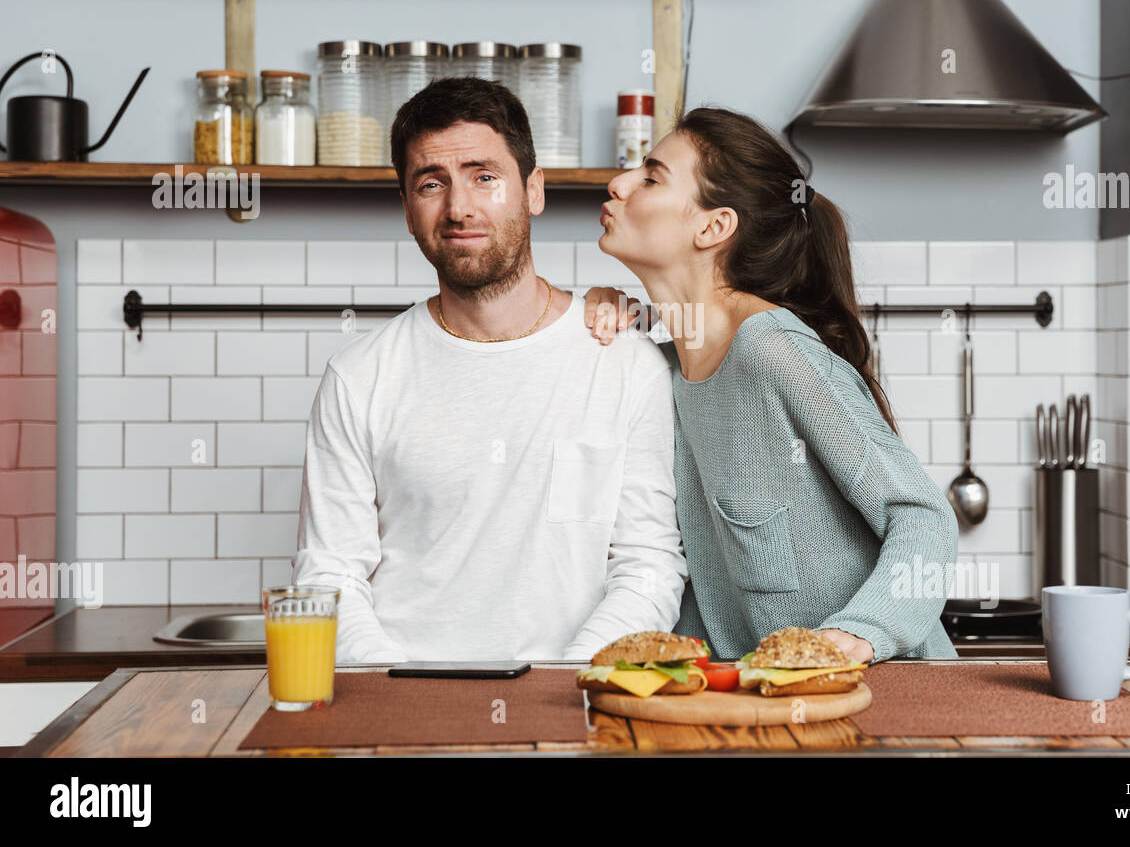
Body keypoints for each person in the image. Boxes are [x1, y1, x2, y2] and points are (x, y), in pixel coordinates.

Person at [291, 77, 685, 663]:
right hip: (401, 716)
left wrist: (569, 680)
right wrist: (399, 695)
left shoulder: (626, 363)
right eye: (431, 184)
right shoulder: (358, 375)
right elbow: (329, 577)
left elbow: (647, 564)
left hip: (572, 706)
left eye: (485, 177)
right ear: (406, 209)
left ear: (533, 190)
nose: (459, 208)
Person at [585, 106, 959, 664]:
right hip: (766, 711)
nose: (618, 183)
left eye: (652, 176)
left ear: (713, 227)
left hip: (888, 693)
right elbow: (704, 577)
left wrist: (860, 633)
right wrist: (609, 315)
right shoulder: (662, 367)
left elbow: (923, 515)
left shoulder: (772, 349)